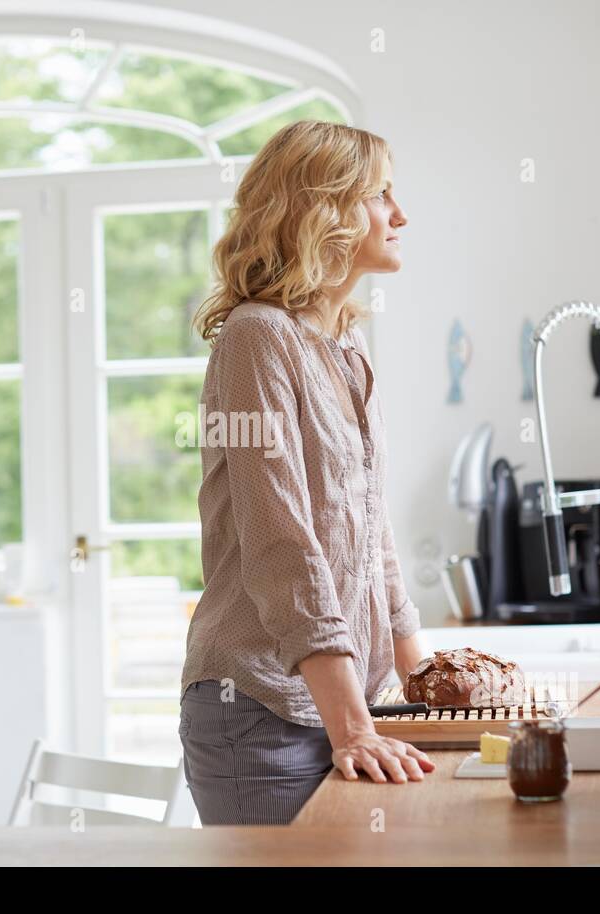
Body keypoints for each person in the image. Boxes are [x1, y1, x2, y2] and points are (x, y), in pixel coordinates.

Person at [178, 120, 435, 826]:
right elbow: (279, 544)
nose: (400, 214)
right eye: (380, 194)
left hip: (350, 704)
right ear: (322, 210)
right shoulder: (256, 338)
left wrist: (423, 678)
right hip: (261, 712)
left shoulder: (346, 349)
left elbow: (370, 534)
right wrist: (352, 726)